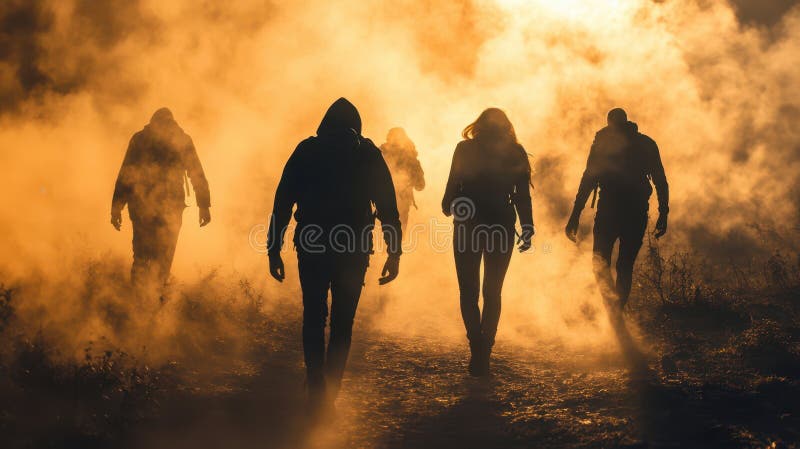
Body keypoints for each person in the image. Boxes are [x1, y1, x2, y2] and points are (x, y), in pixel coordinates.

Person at [267, 98, 402, 408]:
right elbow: (388, 209)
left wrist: (274, 249)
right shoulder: (367, 152)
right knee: (343, 321)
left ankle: (316, 384)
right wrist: (394, 253)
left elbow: (282, 203)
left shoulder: (306, 150)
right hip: (354, 247)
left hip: (312, 245)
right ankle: (332, 387)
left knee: (313, 317)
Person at [442, 108, 534, 377]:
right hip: (502, 224)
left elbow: (452, 185)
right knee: (493, 292)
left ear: (480, 124)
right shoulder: (515, 152)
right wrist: (527, 226)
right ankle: (486, 350)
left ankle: (477, 348)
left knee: (468, 291)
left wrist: (449, 205)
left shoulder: (464, 149)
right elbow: (522, 196)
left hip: (467, 222)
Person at [565, 108, 669, 310]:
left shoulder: (602, 144)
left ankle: (612, 309)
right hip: (635, 212)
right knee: (624, 266)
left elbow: (588, 180)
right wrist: (664, 212)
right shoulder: (646, 144)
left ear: (609, 122)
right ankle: (617, 309)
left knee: (601, 263)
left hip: (609, 212)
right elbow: (660, 181)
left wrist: (575, 215)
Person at [111, 108, 211, 294]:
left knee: (142, 256)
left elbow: (126, 174)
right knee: (163, 256)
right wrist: (203, 206)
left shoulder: (140, 139)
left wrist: (116, 208)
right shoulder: (181, 139)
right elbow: (196, 173)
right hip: (167, 207)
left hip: (144, 207)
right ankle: (155, 299)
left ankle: (139, 302)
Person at [380, 127, 425, 229]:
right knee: (397, 239)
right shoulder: (410, 158)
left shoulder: (379, 153)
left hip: (383, 204)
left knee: (383, 237)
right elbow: (420, 185)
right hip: (397, 206)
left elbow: (420, 185)